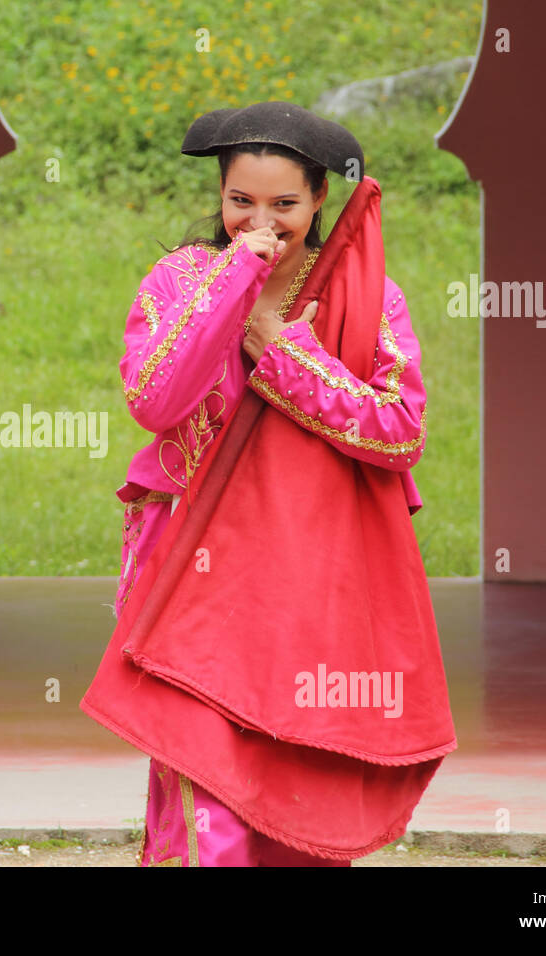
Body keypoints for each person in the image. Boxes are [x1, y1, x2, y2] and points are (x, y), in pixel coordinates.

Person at [82, 102, 456, 866]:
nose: (261, 220)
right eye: (240, 202)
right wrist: (233, 284)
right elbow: (156, 400)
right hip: (190, 576)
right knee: (201, 783)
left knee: (294, 782)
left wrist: (283, 352)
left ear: (318, 199)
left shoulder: (369, 297)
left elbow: (398, 430)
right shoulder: (180, 280)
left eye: (284, 204)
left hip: (307, 582)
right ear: (220, 197)